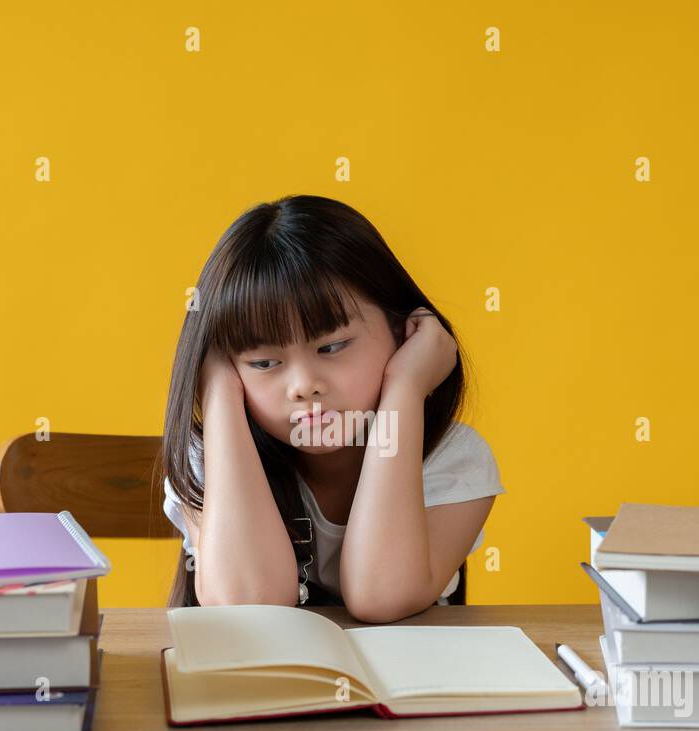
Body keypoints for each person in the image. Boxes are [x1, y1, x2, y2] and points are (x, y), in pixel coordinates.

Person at [158, 195, 504, 622]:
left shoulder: (453, 459)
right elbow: (248, 606)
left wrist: (405, 389)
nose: (304, 386)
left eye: (332, 346)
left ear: (401, 332)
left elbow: (381, 595)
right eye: (264, 363)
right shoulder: (208, 458)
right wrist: (215, 391)